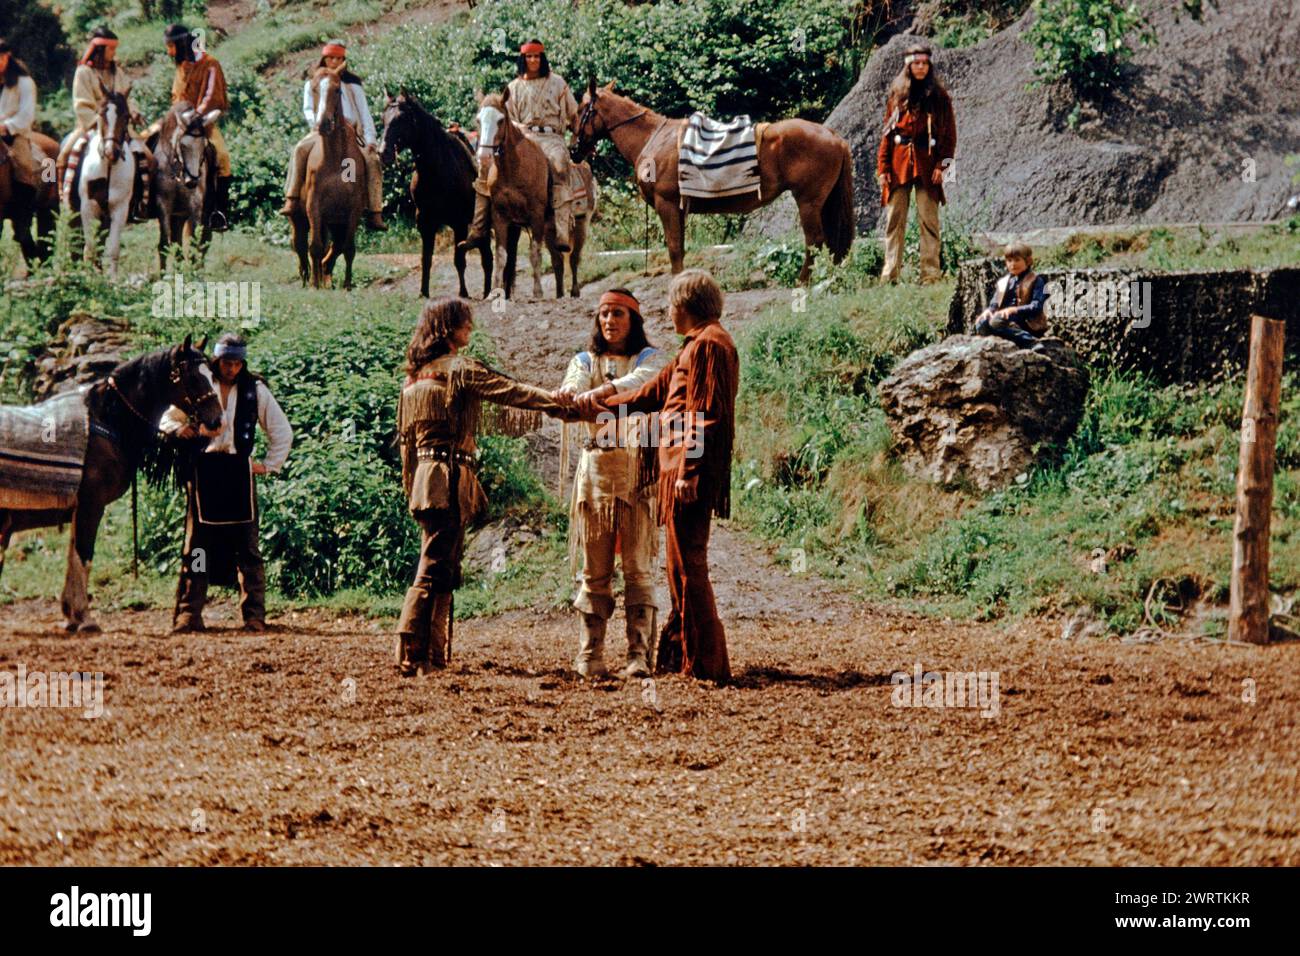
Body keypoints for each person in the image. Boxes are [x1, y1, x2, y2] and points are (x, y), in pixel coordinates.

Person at [395, 298, 575, 677]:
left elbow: (406, 443)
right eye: (465, 323)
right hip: (450, 479)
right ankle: (412, 651)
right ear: (448, 328)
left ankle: (434, 654)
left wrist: (410, 485)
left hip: (427, 479)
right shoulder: (460, 370)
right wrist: (553, 402)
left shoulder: (414, 379)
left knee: (442, 564)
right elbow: (509, 391)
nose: (471, 329)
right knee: (434, 566)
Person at [597, 270, 738, 684]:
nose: (667, 311)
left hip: (684, 472)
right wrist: (601, 405)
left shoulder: (709, 345)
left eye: (671, 304)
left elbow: (702, 414)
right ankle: (685, 656)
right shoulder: (694, 347)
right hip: (677, 468)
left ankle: (708, 664)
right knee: (680, 566)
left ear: (686, 305)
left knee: (689, 565)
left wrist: (689, 471)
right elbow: (654, 394)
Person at [558, 290, 666, 678]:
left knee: (638, 568)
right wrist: (573, 395)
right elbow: (571, 389)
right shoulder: (584, 360)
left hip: (637, 473)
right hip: (596, 477)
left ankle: (639, 654)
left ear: (632, 319)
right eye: (604, 314)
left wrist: (599, 395)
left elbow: (644, 383)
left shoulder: (650, 359)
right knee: (594, 569)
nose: (610, 321)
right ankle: (591, 654)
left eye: (618, 314)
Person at [161, 334, 293, 633]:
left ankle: (254, 616)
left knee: (248, 549)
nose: (232, 369)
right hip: (204, 471)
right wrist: (180, 429)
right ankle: (189, 613)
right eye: (227, 362)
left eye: (237, 363)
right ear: (216, 360)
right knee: (197, 548)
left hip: (238, 473)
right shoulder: (200, 385)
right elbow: (167, 418)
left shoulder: (254, 390)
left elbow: (282, 431)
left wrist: (269, 465)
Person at [462, 38, 577, 252]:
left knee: (560, 165)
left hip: (551, 138)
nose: (533, 60)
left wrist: (576, 135)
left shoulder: (558, 83)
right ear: (523, 59)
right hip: (522, 137)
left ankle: (562, 229)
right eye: (529, 57)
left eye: (537, 56)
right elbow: (508, 119)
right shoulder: (513, 88)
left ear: (542, 58)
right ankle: (478, 228)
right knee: (485, 169)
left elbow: (573, 112)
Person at [279, 40, 386, 231]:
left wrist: (370, 139)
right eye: (330, 58)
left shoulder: (353, 83)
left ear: (343, 60)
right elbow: (307, 108)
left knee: (371, 161)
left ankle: (373, 210)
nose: (334, 62)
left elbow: (364, 112)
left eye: (338, 58)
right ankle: (292, 197)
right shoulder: (313, 82)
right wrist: (317, 123)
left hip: (350, 133)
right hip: (320, 130)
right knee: (300, 150)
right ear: (324, 58)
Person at [876, 41, 956, 284]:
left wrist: (943, 168)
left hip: (928, 164)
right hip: (899, 164)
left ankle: (931, 275)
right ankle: (890, 275)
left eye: (924, 63)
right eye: (916, 63)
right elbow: (887, 134)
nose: (921, 67)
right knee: (894, 221)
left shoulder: (939, 97)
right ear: (908, 66)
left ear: (929, 65)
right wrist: (883, 168)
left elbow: (950, 137)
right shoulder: (898, 95)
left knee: (929, 222)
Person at [165, 23, 232, 230]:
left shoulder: (211, 64)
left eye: (171, 46)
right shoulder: (181, 65)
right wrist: (180, 115)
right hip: (181, 120)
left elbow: (212, 97)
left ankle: (219, 211)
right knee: (148, 142)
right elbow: (177, 96)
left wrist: (196, 116)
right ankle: (144, 199)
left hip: (205, 123)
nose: (169, 51)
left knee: (222, 157)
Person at [975, 242, 1049, 350]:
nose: (1013, 264)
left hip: (1026, 322)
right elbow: (995, 302)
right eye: (1009, 261)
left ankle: (1031, 341)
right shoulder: (1004, 282)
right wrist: (989, 311)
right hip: (1004, 320)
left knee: (996, 321)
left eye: (1017, 260)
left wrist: (1014, 310)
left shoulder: (1036, 280)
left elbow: (1036, 306)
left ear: (1027, 261)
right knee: (982, 323)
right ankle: (1001, 342)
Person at [0, 40, 42, 194]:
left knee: (24, 165)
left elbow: (26, 114)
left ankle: (24, 205)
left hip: (14, 135)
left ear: (6, 57)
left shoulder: (24, 82)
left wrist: (5, 127)